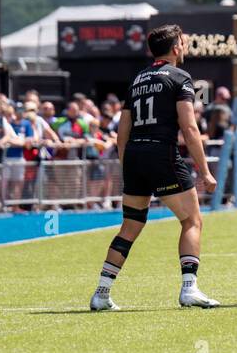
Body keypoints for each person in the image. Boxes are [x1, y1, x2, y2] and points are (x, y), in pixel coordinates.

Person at [89, 24, 218, 311]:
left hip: (135, 155)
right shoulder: (180, 77)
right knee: (192, 221)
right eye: (183, 43)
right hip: (162, 153)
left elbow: (122, 132)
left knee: (130, 226)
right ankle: (189, 289)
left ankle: (101, 292)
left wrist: (129, 167)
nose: (184, 48)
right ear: (175, 48)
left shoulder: (137, 80)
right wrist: (205, 170)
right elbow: (189, 127)